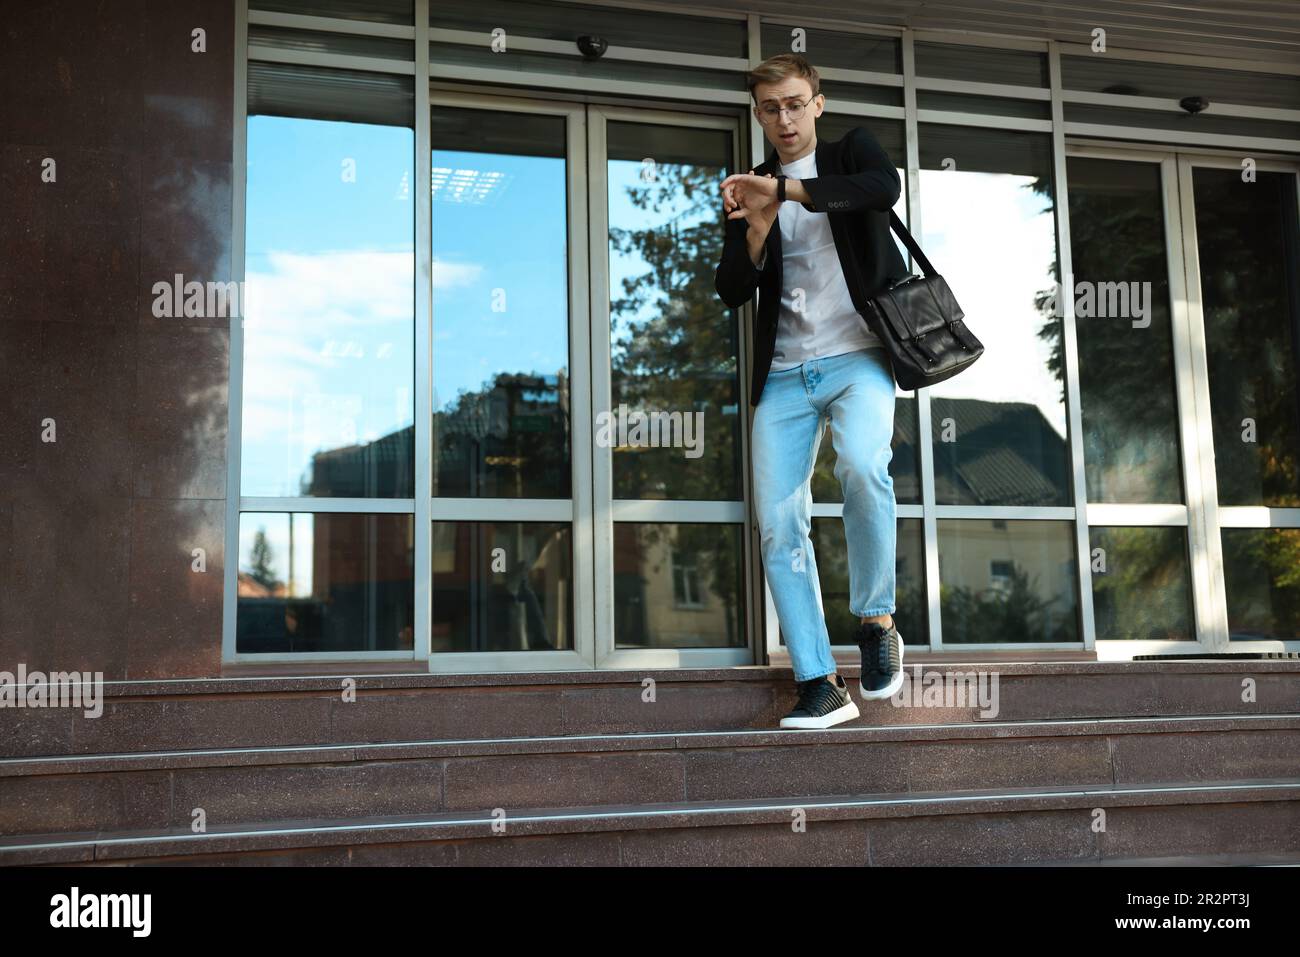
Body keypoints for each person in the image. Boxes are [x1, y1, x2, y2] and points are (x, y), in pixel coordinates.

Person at [715, 53, 906, 730]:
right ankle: (820, 682)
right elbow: (732, 287)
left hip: (858, 357)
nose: (785, 118)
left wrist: (790, 195)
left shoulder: (853, 152)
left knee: (861, 464)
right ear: (760, 114)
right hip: (786, 374)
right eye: (771, 108)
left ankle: (877, 618)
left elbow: (882, 189)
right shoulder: (751, 183)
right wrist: (756, 227)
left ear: (817, 104)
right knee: (778, 520)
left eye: (796, 104)